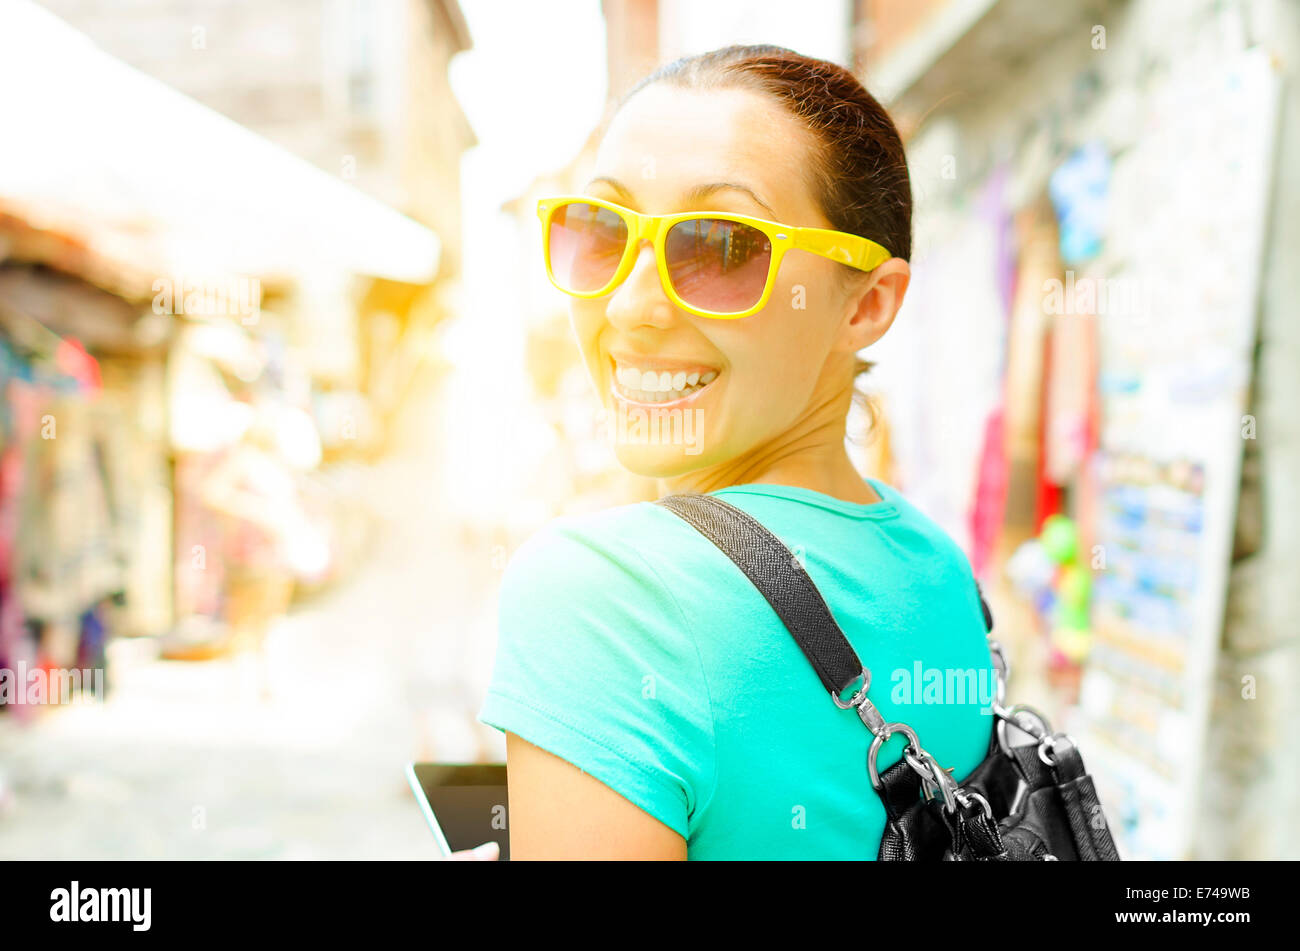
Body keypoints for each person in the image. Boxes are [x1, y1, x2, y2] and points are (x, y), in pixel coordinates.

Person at [478, 45, 997, 859]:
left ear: (865, 304)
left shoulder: (606, 595)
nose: (632, 305)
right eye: (603, 231)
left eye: (720, 247)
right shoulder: (942, 571)